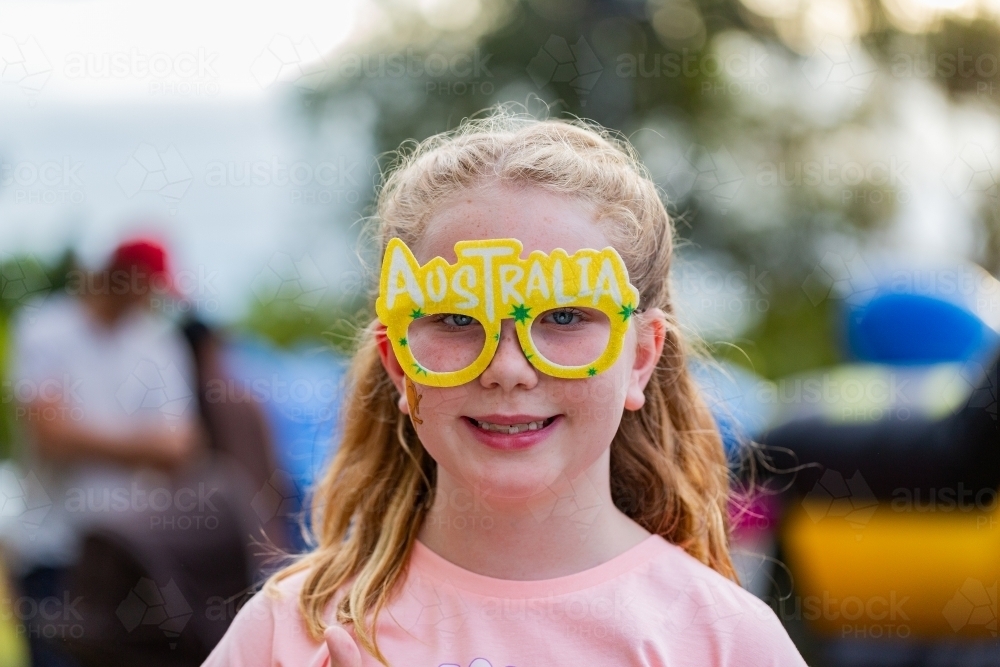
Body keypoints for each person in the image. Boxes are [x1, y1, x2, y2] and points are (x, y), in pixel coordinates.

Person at [202, 110, 807, 666]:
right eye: (459, 320)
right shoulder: (290, 630)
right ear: (397, 360)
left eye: (565, 317)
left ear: (642, 358)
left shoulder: (722, 641)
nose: (508, 368)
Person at [7, 237, 202, 666]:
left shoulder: (157, 344)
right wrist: (141, 442)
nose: (152, 299)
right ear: (124, 277)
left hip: (127, 554)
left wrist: (82, 434)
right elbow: (51, 437)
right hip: (52, 549)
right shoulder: (45, 328)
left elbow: (178, 446)